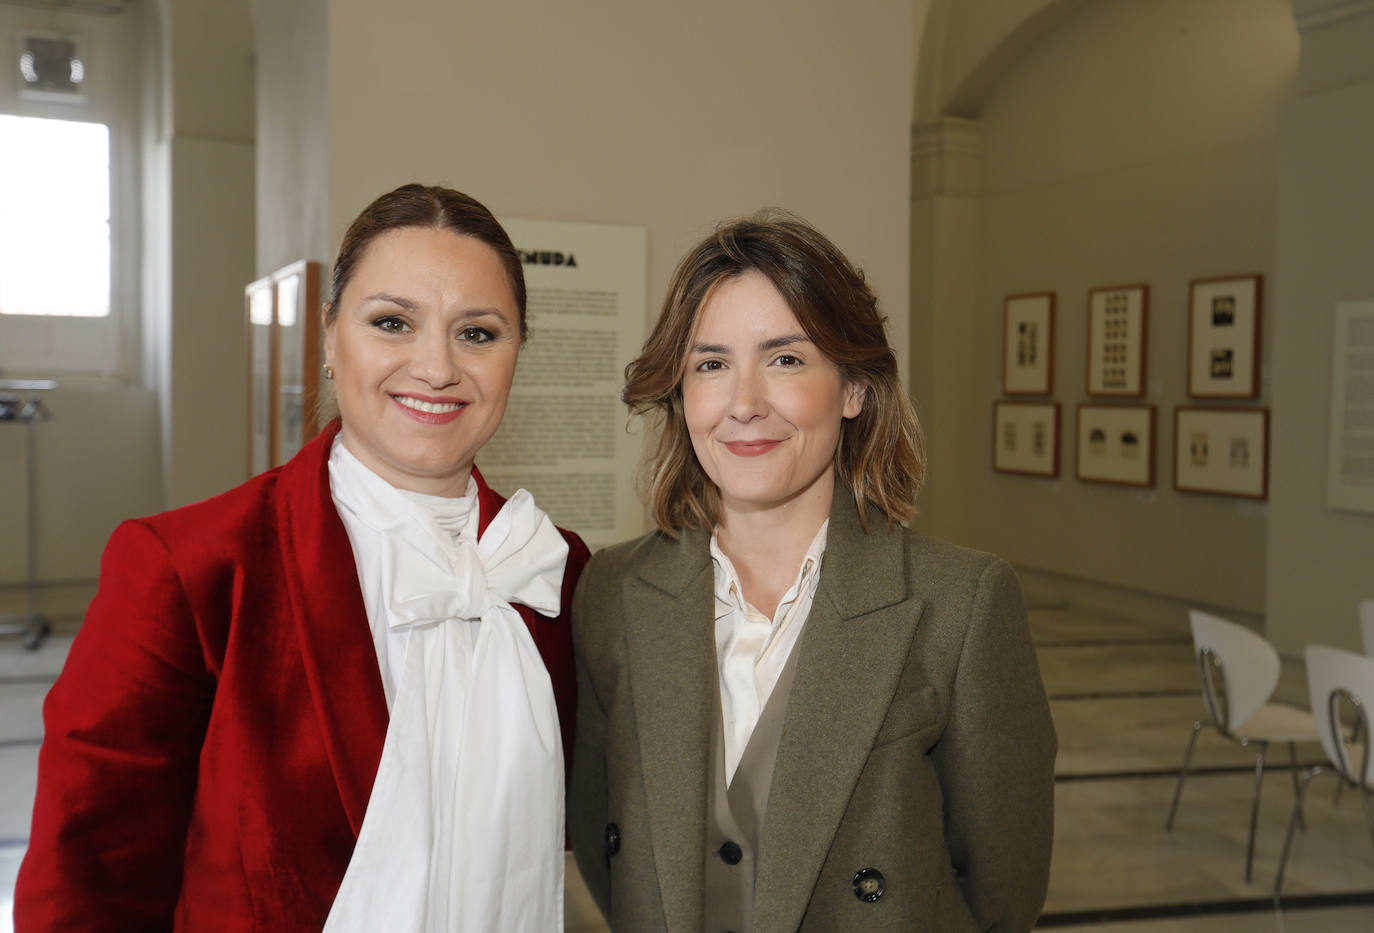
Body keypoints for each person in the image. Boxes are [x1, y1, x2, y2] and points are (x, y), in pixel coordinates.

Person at [16, 184, 590, 931]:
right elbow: (86, 886)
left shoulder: (549, 571)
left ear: (517, 351)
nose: (437, 366)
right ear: (328, 338)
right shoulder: (192, 569)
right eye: (392, 322)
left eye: (477, 333)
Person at [568, 212, 1056, 931]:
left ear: (853, 389)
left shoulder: (960, 606)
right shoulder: (611, 594)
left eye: (785, 359)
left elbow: (1000, 892)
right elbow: (610, 858)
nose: (743, 403)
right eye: (711, 364)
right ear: (681, 393)